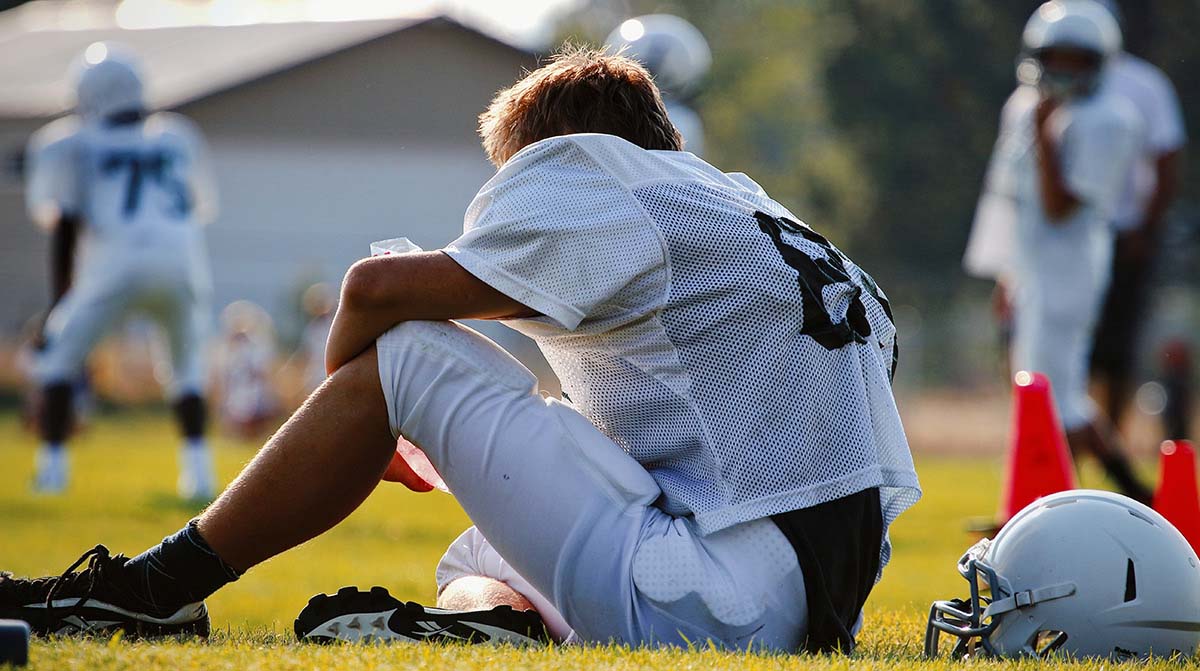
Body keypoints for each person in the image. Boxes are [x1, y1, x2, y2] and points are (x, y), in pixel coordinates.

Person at [0, 47, 919, 654]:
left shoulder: (598, 170)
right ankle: (493, 632)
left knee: (402, 351)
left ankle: (151, 588)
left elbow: (375, 296)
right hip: (797, 593)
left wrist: (367, 413)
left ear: (552, 152)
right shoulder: (747, 208)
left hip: (718, 594)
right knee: (476, 557)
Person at [963, 1, 1149, 501]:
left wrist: (1046, 134)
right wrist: (1009, 272)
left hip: (1070, 270)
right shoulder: (1025, 105)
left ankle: (1054, 499)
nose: (1063, 71)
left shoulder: (1109, 119)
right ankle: (1126, 493)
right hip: (1036, 268)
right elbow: (1014, 203)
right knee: (1049, 394)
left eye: (1077, 60)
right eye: (1056, 58)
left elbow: (1060, 206)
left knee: (1048, 395)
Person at [22, 42, 219, 498]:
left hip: (116, 261)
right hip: (181, 260)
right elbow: (196, 206)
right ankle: (199, 475)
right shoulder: (175, 136)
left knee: (56, 360)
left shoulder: (70, 143)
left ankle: (51, 474)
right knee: (187, 369)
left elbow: (65, 225)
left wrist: (58, 304)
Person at [1088, 3, 1187, 430]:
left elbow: (1166, 161)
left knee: (1115, 348)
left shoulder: (1143, 84)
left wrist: (1145, 229)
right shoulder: (1048, 87)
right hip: (1064, 242)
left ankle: (1111, 437)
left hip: (1122, 234)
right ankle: (1060, 441)